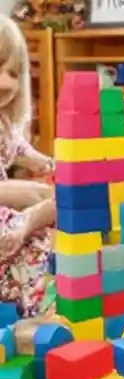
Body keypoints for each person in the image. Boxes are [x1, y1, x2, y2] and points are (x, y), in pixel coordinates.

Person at [0, 16, 55, 318]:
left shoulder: (4, 121)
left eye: (13, 73)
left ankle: (23, 302)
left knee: (46, 227)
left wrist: (49, 163)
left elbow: (20, 150)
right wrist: (31, 200)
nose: (6, 82)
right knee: (43, 207)